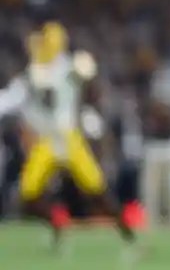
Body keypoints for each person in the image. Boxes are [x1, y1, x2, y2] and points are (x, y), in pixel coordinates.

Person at [0, 21, 139, 257]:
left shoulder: (54, 68)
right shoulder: (50, 68)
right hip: (51, 140)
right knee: (30, 195)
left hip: (65, 138)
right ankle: (58, 222)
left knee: (97, 193)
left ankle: (128, 235)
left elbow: (82, 76)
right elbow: (14, 96)